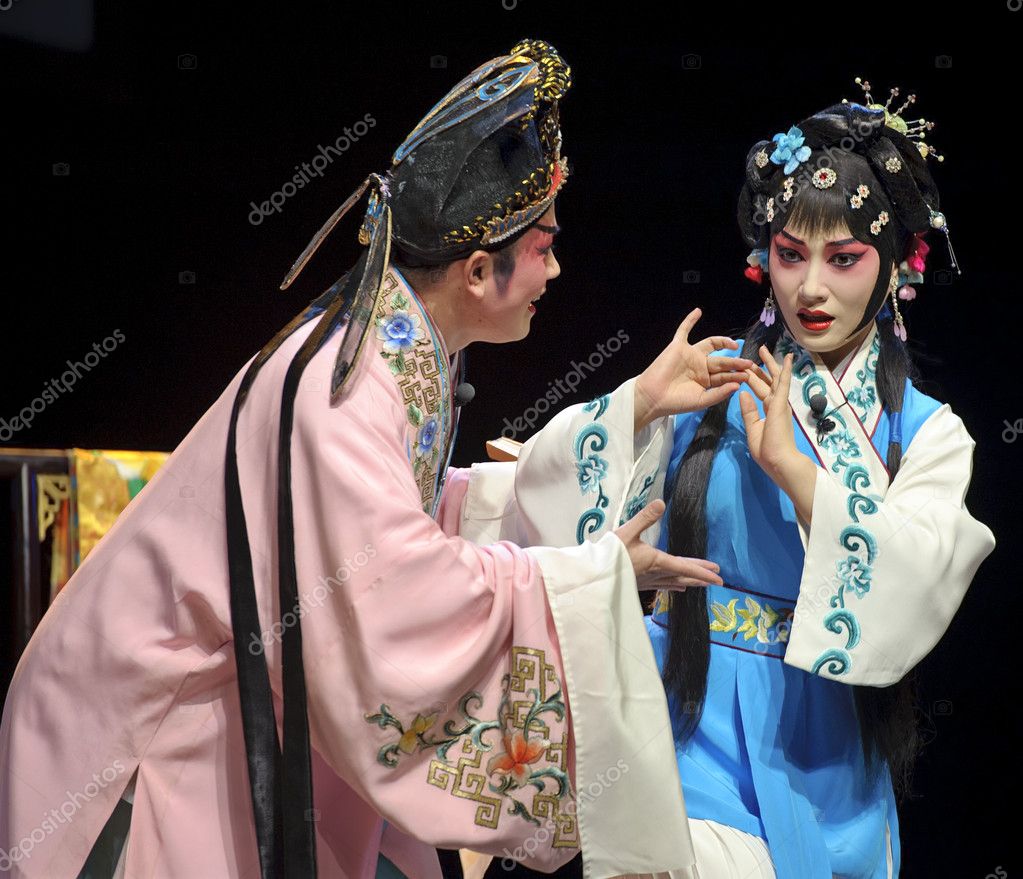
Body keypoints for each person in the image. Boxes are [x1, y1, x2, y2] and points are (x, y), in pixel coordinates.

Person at [0, 39, 754, 879]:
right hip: (162, 735)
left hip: (255, 708)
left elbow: (405, 527)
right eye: (542, 244)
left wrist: (635, 406)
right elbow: (393, 590)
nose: (556, 267)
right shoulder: (347, 390)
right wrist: (585, 580)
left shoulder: (402, 348)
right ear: (476, 270)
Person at [498, 82, 997, 878]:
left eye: (843, 259)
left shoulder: (927, 432)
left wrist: (796, 472)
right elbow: (542, 499)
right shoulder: (713, 379)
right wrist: (636, 404)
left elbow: (922, 571)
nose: (809, 288)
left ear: (896, 266)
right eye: (790, 254)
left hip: (819, 745)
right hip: (680, 709)